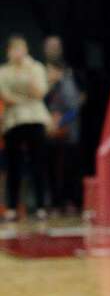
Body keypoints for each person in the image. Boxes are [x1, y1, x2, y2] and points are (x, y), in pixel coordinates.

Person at [0, 35, 50, 221]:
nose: (17, 53)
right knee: (13, 165)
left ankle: (40, 206)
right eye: (14, 49)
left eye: (21, 49)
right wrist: (23, 98)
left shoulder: (35, 67)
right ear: (9, 52)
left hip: (35, 118)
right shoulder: (3, 71)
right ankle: (12, 206)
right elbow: (5, 95)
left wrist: (26, 72)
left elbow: (39, 92)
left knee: (38, 162)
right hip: (13, 120)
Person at [43, 37, 83, 213]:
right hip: (48, 130)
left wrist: (61, 120)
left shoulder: (68, 78)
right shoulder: (41, 80)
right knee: (50, 168)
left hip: (69, 131)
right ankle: (54, 202)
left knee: (70, 168)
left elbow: (75, 106)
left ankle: (71, 201)